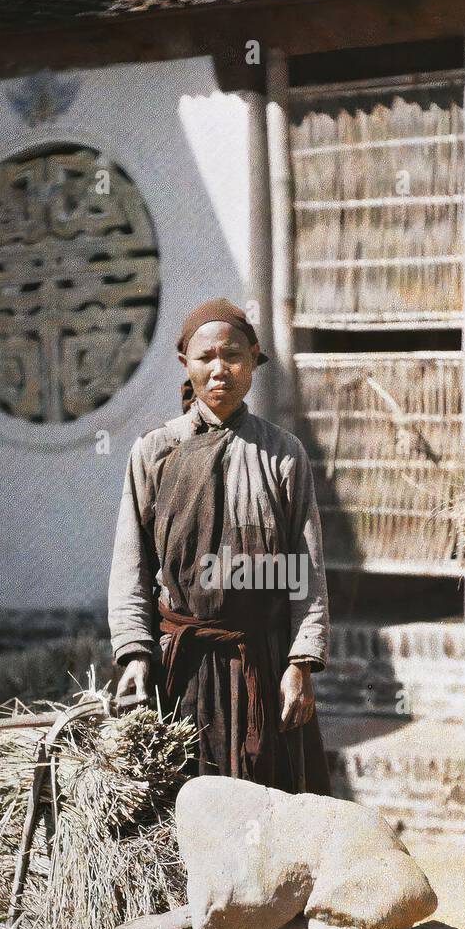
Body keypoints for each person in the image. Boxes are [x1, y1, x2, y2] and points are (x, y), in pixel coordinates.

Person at [108, 298, 331, 794]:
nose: (219, 369)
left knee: (271, 816)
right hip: (182, 669)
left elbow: (307, 572)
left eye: (232, 355)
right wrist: (136, 655)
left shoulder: (283, 454)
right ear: (185, 362)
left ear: (253, 358)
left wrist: (301, 664)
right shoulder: (154, 453)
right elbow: (132, 567)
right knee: (183, 818)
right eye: (205, 357)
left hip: (265, 664)